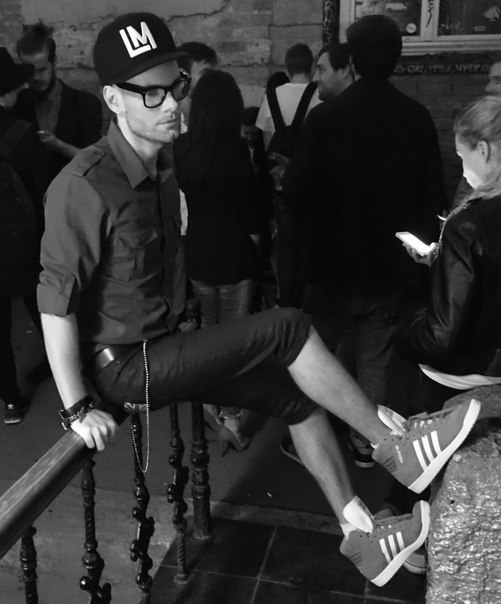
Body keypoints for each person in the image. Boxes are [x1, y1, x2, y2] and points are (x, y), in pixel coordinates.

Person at [37, 12, 479, 587]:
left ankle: (363, 535)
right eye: (151, 93)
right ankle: (397, 445)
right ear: (113, 99)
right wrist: (76, 408)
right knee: (287, 326)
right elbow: (56, 302)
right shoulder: (83, 184)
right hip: (126, 366)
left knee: (298, 400)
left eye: (176, 86)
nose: (171, 103)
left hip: (164, 345)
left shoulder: (164, 167)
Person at [282, 15, 448, 469]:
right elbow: (433, 198)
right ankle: (366, 443)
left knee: (314, 353)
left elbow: (294, 192)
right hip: (388, 265)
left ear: (351, 61)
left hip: (331, 262)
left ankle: (306, 436)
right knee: (375, 357)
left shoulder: (325, 118)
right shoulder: (416, 118)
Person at [380, 94, 501, 574]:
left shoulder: (469, 224)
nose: (463, 170)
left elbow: (442, 335)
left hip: (455, 375)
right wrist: (441, 261)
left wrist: (403, 335)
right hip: (495, 370)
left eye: (463, 157)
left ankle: (418, 546)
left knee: (426, 461)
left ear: (484, 150)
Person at [174, 70, 262, 453]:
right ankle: (231, 418)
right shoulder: (235, 150)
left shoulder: (182, 148)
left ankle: (211, 405)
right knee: (236, 342)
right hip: (234, 254)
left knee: (209, 335)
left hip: (198, 251)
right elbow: (250, 213)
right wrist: (258, 250)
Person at [0, 48, 51, 424]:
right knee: (44, 307)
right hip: (23, 245)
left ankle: (10, 400)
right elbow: (42, 192)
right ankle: (66, 369)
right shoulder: (21, 134)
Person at [15, 21, 103, 180]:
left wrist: (58, 146)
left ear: (54, 62)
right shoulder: (19, 103)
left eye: (42, 70)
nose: (36, 77)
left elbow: (97, 162)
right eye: (29, 71)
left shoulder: (85, 104)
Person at [256, 43, 321, 151]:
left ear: (286, 70)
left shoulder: (270, 97)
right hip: (311, 159)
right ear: (312, 68)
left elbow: (268, 145)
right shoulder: (321, 95)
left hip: (280, 160)